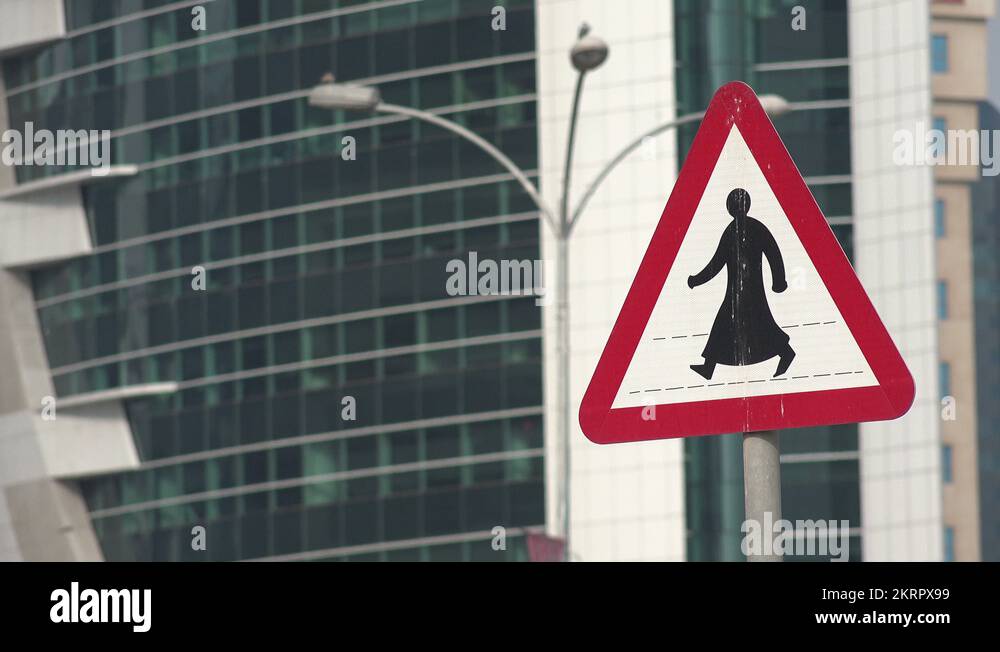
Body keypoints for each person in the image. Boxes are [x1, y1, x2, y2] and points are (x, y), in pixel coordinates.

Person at [687, 188, 795, 380]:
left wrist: (779, 281)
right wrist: (696, 279)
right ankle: (708, 367)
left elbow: (772, 253)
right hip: (739, 290)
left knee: (754, 322)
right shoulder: (737, 230)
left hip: (748, 291)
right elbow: (717, 262)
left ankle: (786, 353)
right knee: (749, 322)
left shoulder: (739, 229)